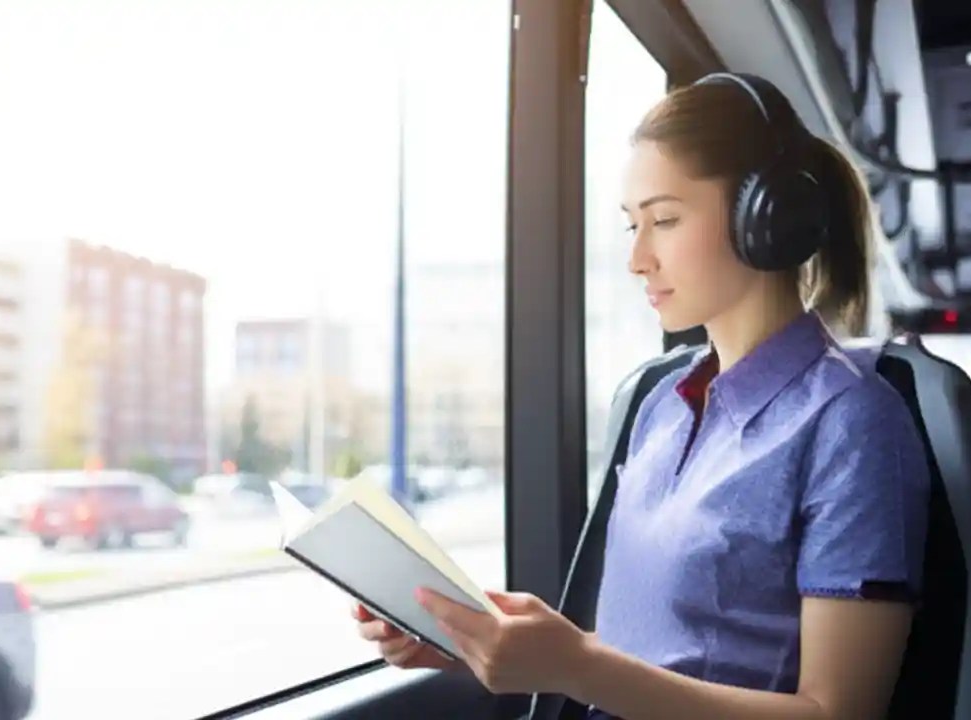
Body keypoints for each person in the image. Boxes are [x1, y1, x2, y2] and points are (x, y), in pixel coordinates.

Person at [352, 72, 931, 720]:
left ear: (765, 217)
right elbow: (652, 660)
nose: (637, 258)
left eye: (664, 219)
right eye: (632, 225)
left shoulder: (853, 423)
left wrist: (576, 663)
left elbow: (838, 713)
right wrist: (476, 643)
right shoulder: (661, 404)